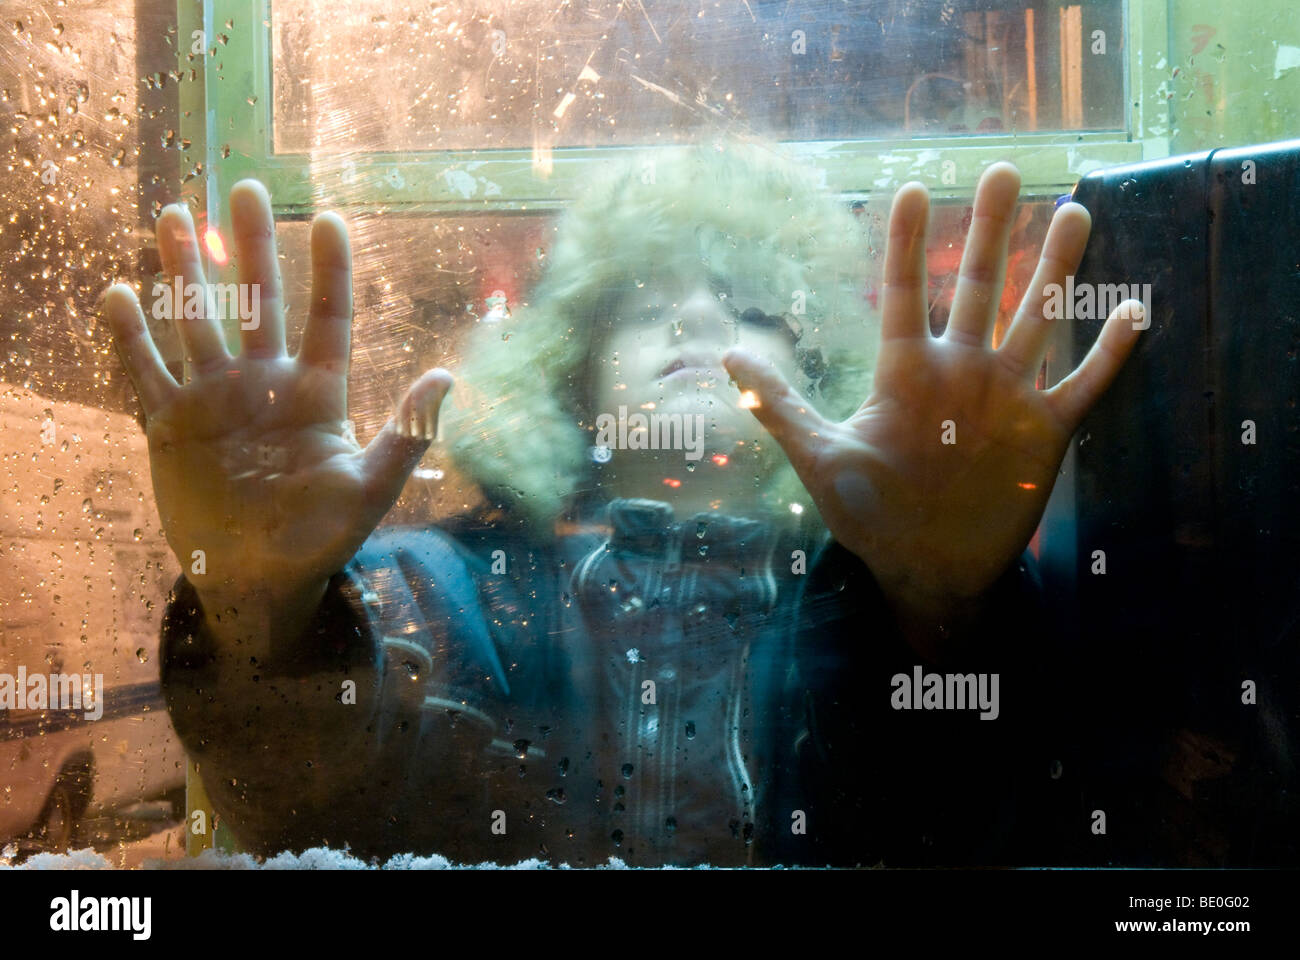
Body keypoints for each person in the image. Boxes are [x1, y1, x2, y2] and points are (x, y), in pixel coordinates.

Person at [103, 140, 1143, 867]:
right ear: (574, 372)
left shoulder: (844, 598)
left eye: (753, 307)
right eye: (644, 306)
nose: (697, 317)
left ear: (821, 380)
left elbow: (982, 824)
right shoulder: (451, 587)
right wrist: (263, 608)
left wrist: (941, 609)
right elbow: (301, 801)